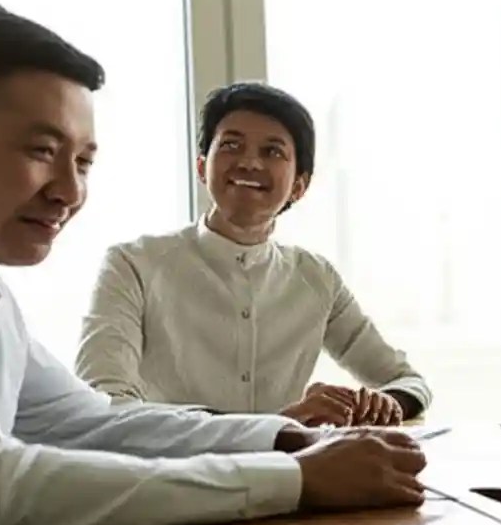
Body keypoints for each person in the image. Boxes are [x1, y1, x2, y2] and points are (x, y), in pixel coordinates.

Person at [0, 5, 426, 525]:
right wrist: (296, 481)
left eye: (82, 162)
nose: (68, 191)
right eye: (42, 151)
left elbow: (93, 423)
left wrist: (283, 441)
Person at [75, 82, 430, 429]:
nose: (248, 162)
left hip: (291, 480)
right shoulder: (133, 264)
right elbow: (104, 400)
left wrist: (380, 405)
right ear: (202, 166)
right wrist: (276, 425)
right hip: (173, 477)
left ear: (299, 185)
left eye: (272, 151)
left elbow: (408, 382)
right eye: (231, 145)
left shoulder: (316, 277)